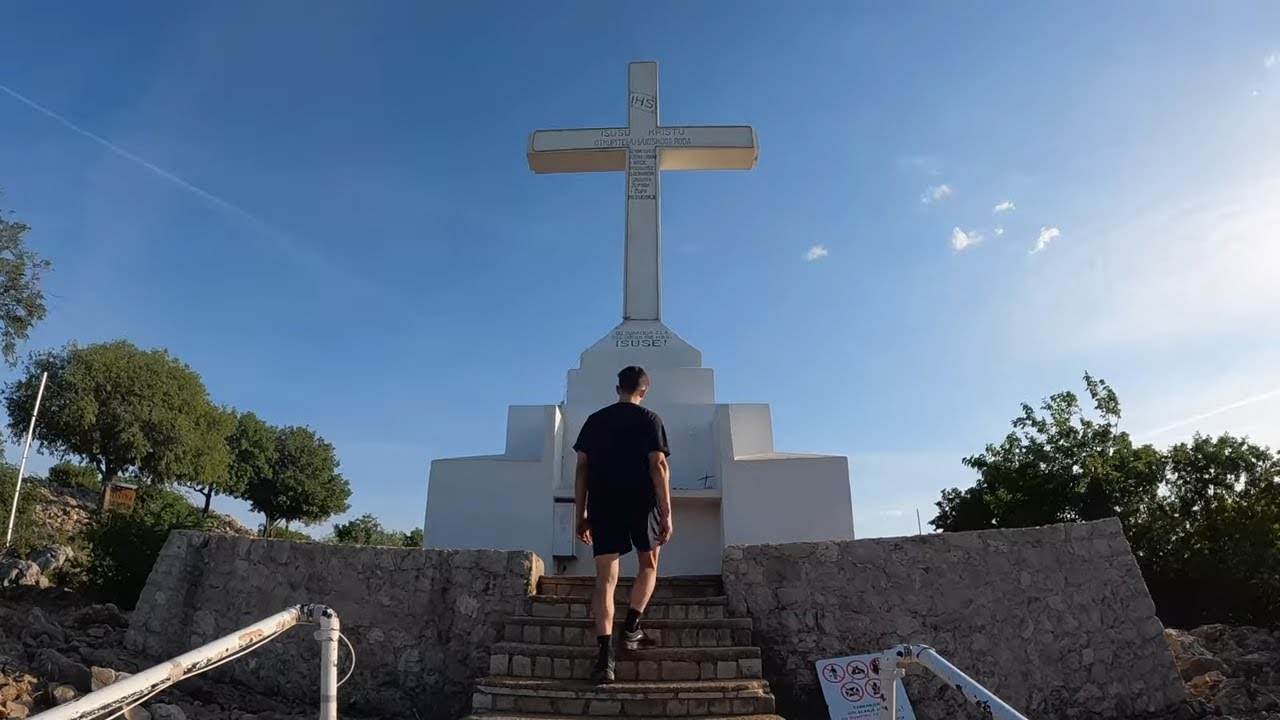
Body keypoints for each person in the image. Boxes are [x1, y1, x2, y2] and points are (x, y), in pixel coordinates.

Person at [572, 365, 673, 684]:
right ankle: (630, 628)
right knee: (649, 565)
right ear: (644, 391)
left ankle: (605, 660)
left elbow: (581, 470)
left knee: (605, 580)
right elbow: (657, 466)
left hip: (603, 504)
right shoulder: (650, 420)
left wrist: (581, 514)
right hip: (642, 504)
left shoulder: (594, 421)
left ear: (618, 388)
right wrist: (667, 511)